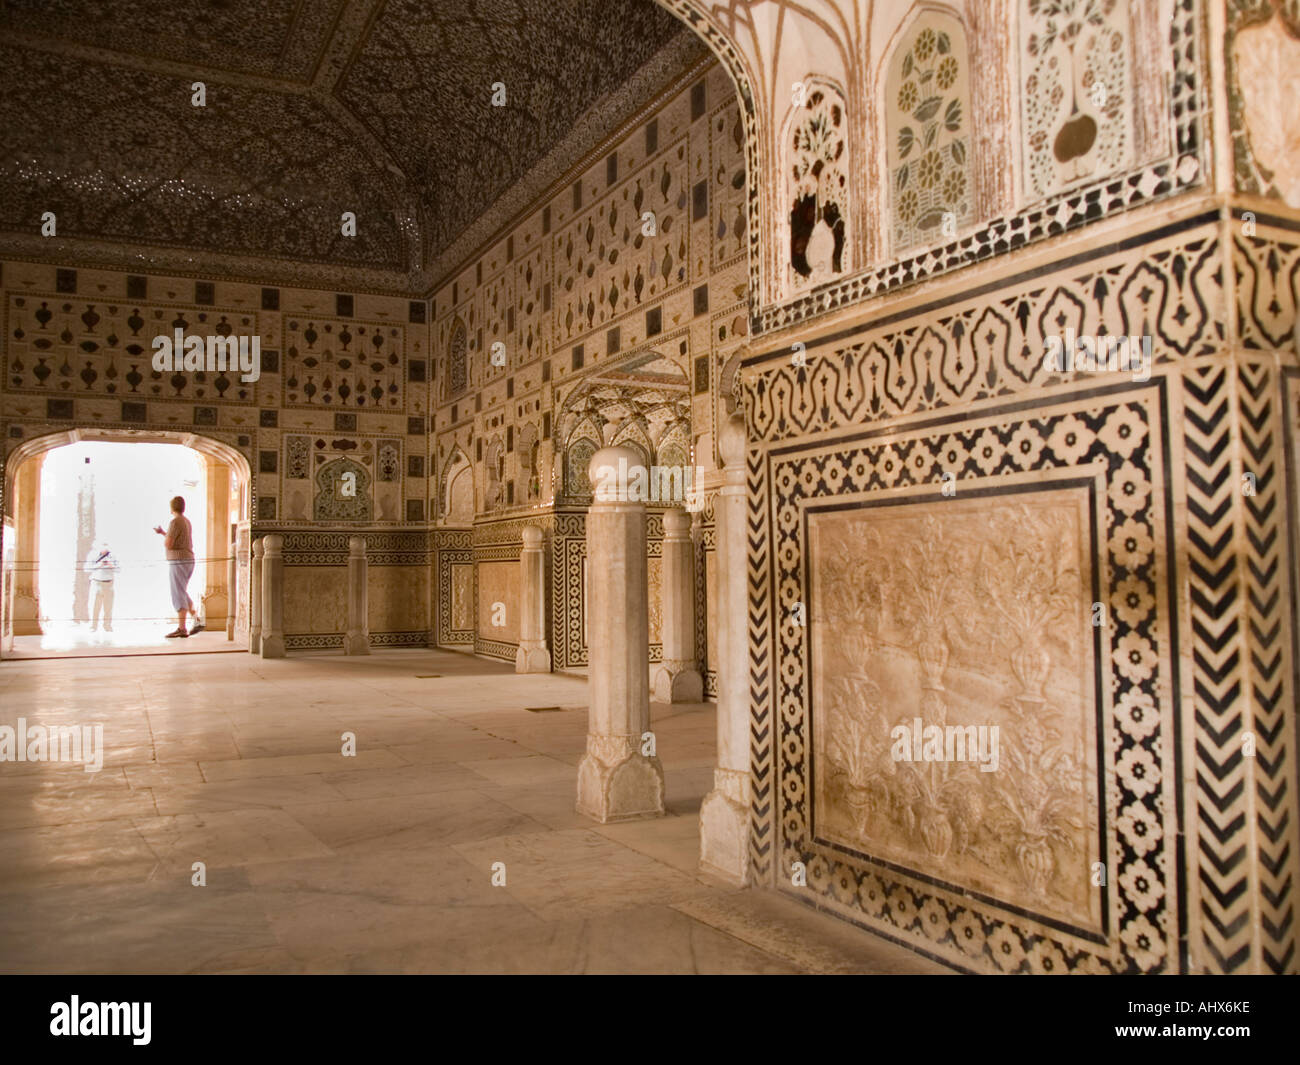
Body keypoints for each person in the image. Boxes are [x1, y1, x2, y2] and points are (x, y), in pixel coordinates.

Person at [153, 495, 204, 638]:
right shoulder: (186, 521)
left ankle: (182, 628)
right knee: (181, 590)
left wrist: (165, 539)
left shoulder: (175, 522)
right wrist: (163, 533)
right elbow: (179, 539)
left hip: (179, 561)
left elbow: (169, 543)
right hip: (188, 559)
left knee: (177, 592)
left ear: (172, 508)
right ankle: (197, 619)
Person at [86, 541, 118, 633]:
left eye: (106, 545)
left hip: (109, 584)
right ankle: (93, 626)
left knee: (108, 607)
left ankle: (107, 626)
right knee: (94, 606)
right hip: (96, 583)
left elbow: (119, 569)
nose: (104, 547)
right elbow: (87, 568)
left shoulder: (113, 556)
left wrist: (110, 565)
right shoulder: (93, 555)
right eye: (102, 545)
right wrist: (99, 565)